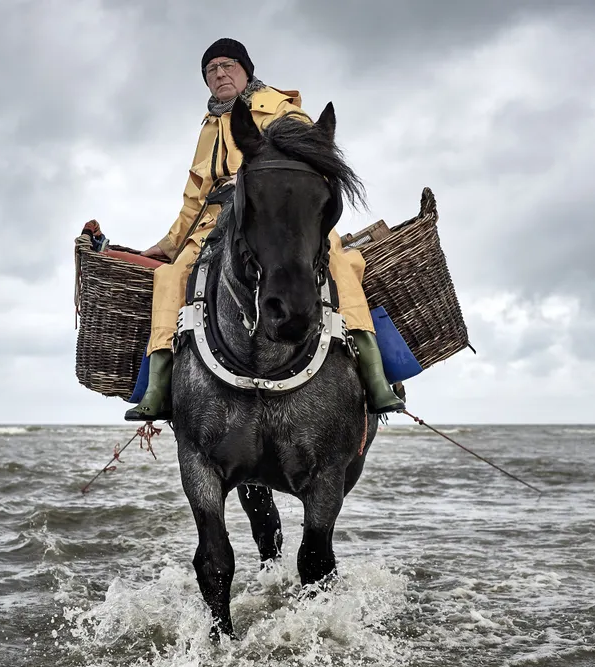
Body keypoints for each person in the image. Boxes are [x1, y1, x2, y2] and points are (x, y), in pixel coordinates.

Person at [125, 38, 403, 421]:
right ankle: (159, 386)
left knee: (340, 263)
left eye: (228, 65)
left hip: (282, 214)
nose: (220, 74)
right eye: (211, 70)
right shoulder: (208, 129)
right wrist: (169, 245)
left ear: (246, 70)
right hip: (214, 222)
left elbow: (313, 166)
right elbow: (194, 197)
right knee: (169, 277)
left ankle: (373, 372)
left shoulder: (282, 110)